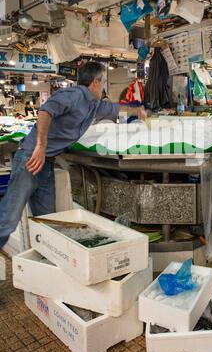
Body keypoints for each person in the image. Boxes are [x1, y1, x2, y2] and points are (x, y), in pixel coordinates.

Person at [0, 62, 147, 248]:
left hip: (46, 164)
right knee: (8, 219)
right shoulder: (73, 95)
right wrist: (40, 146)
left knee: (47, 221)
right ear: (95, 82)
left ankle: (46, 263)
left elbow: (116, 108)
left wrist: (138, 111)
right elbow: (45, 112)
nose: (103, 87)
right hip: (31, 158)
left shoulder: (94, 105)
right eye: (103, 83)